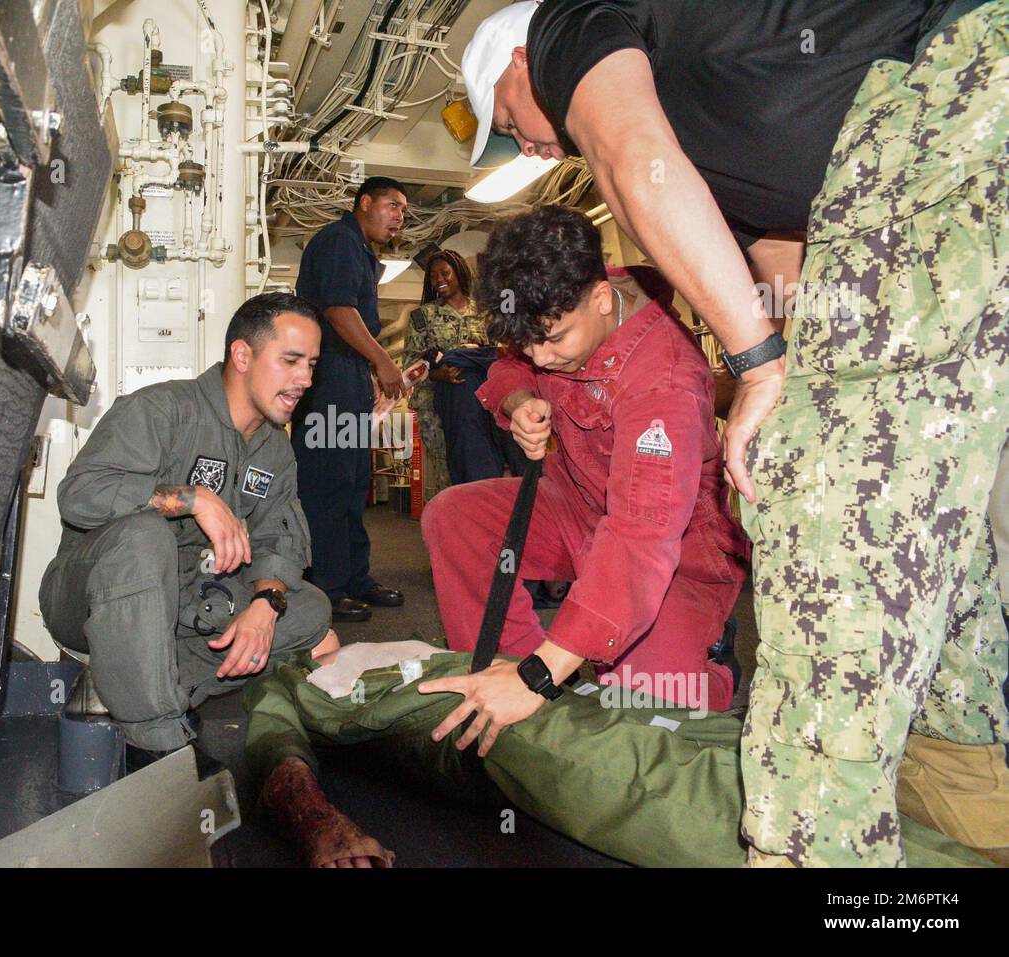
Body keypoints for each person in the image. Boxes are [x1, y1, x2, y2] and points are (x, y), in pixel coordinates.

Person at [461, 0, 1009, 866]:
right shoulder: (729, 134)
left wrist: (758, 367)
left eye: (504, 121)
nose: (525, 145)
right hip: (938, 161)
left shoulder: (570, 29)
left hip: (939, 130)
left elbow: (635, 162)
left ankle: (823, 852)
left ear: (522, 61)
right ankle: (964, 818)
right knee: (924, 532)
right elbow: (789, 260)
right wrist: (794, 369)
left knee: (826, 545)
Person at [421, 205, 748, 733]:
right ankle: (509, 682)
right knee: (454, 517)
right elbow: (509, 364)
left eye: (553, 341)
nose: (542, 357)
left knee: (644, 713)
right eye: (531, 341)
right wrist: (519, 399)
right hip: (575, 506)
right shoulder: (556, 303)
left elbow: (640, 538)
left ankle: (709, 666)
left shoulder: (663, 382)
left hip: (673, 550)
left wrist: (542, 673)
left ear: (601, 300)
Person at [242, 641, 991, 868]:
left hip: (559, 692)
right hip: (496, 731)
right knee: (696, 800)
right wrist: (318, 824)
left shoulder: (409, 636)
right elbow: (276, 749)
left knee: (759, 742)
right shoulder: (310, 682)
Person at [38, 293, 340, 761]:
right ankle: (160, 744)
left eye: (312, 365)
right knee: (146, 535)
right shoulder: (161, 410)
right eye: (291, 361)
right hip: (90, 594)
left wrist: (266, 601)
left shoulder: (274, 450)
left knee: (309, 610)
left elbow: (277, 541)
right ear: (243, 355)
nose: (305, 379)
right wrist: (191, 498)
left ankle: (143, 684)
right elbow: (80, 495)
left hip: (187, 600)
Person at [291, 176, 410, 624]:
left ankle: (355, 578)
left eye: (404, 210)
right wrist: (382, 362)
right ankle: (327, 586)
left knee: (355, 481)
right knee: (328, 483)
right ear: (364, 203)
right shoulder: (339, 241)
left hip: (349, 376)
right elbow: (339, 311)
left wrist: (371, 372)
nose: (399, 216)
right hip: (329, 379)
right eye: (392, 205)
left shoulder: (360, 251)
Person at [405, 250, 527, 499]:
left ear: (459, 273)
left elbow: (503, 353)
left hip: (481, 402)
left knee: (483, 465)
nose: (439, 279)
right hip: (437, 407)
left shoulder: (485, 312)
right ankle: (447, 528)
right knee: (447, 471)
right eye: (433, 276)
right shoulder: (423, 317)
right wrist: (438, 374)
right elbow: (410, 364)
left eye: (445, 272)